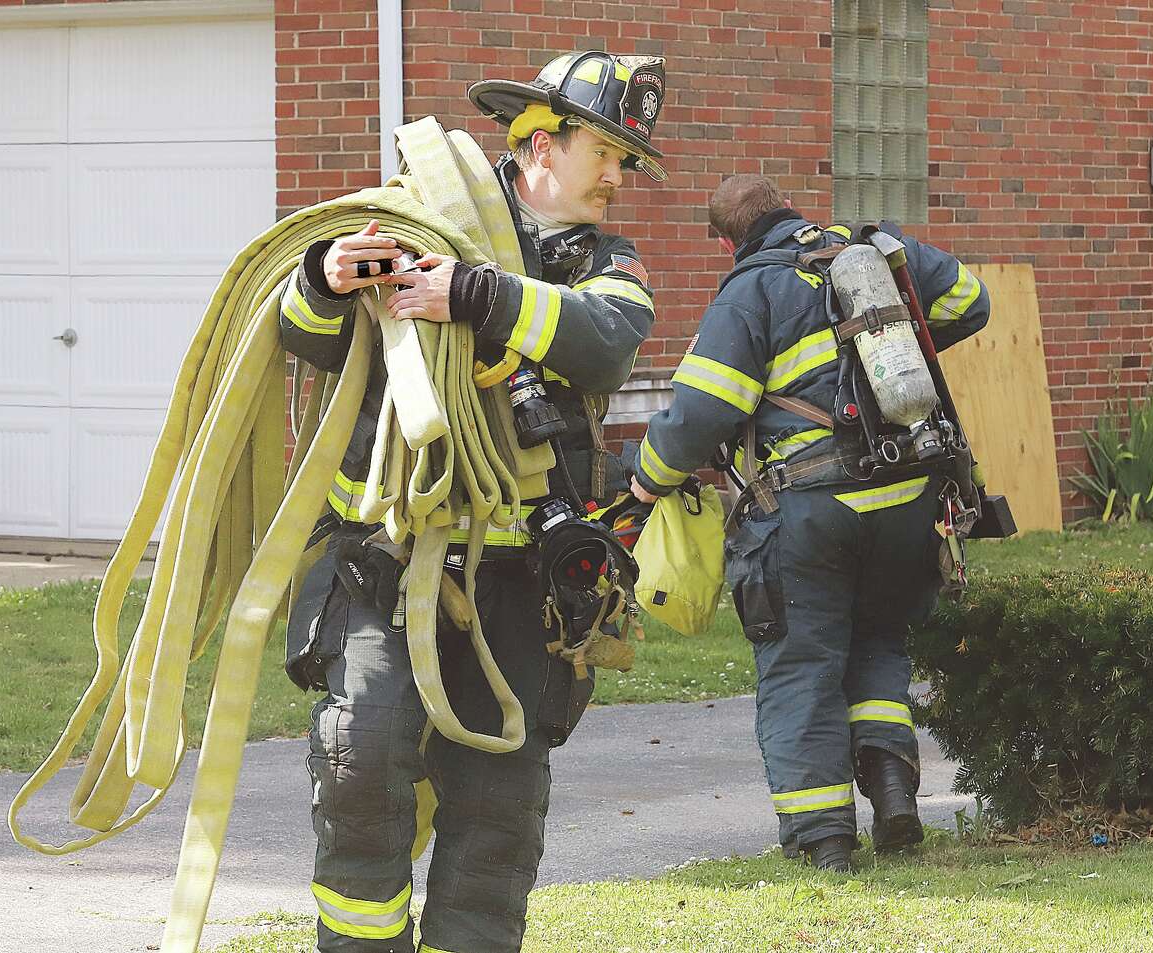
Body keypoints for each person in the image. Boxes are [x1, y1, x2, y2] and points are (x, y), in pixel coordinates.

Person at [280, 51, 666, 952]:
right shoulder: (409, 218)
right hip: (386, 561)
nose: (619, 177)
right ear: (539, 142)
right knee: (359, 763)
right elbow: (308, 344)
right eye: (605, 151)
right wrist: (323, 280)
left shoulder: (608, 262)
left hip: (522, 582)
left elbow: (605, 343)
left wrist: (474, 295)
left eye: (628, 162)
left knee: (498, 815)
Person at [630, 173, 990, 871]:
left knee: (802, 665)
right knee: (879, 642)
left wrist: (646, 479)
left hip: (811, 510)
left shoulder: (752, 289)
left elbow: (701, 411)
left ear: (730, 239)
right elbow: (972, 302)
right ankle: (893, 800)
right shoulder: (879, 254)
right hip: (908, 496)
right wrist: (897, 347)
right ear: (789, 208)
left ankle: (824, 839)